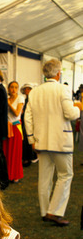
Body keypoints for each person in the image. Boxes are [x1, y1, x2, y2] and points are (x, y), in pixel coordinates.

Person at [25, 58, 81, 226]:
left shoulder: (34, 92)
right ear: (58, 73)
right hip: (61, 140)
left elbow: (28, 117)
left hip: (41, 141)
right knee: (65, 175)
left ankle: (44, 211)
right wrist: (78, 107)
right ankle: (54, 212)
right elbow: (70, 114)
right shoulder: (63, 89)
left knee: (45, 178)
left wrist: (31, 139)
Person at [3, 81, 24, 183]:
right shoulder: (6, 98)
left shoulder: (20, 98)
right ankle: (7, 174)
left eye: (16, 87)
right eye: (12, 87)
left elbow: (16, 113)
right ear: (8, 88)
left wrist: (9, 104)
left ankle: (16, 175)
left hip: (16, 127)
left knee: (15, 152)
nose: (13, 89)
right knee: (7, 150)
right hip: (7, 127)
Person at [20, 83, 38, 166]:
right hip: (24, 122)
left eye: (29, 89)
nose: (27, 90)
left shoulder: (33, 100)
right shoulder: (24, 99)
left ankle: (30, 157)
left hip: (31, 122)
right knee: (25, 140)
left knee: (29, 139)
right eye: (26, 89)